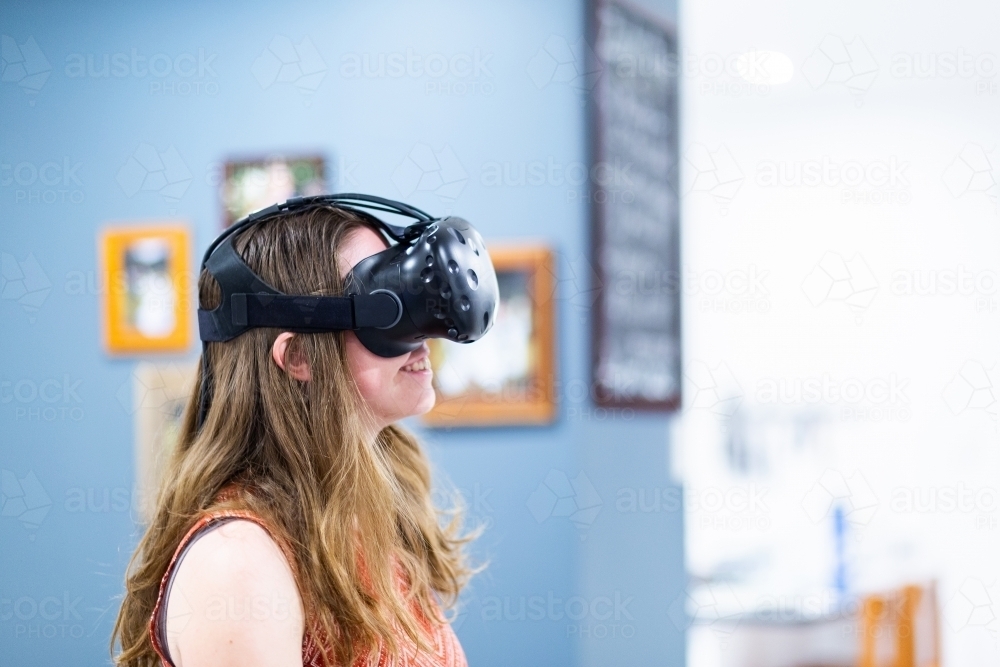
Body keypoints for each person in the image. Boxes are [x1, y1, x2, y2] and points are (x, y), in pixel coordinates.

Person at [112, 204, 477, 667]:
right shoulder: (239, 566)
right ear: (299, 356)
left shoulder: (376, 511)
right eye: (388, 303)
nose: (423, 332)